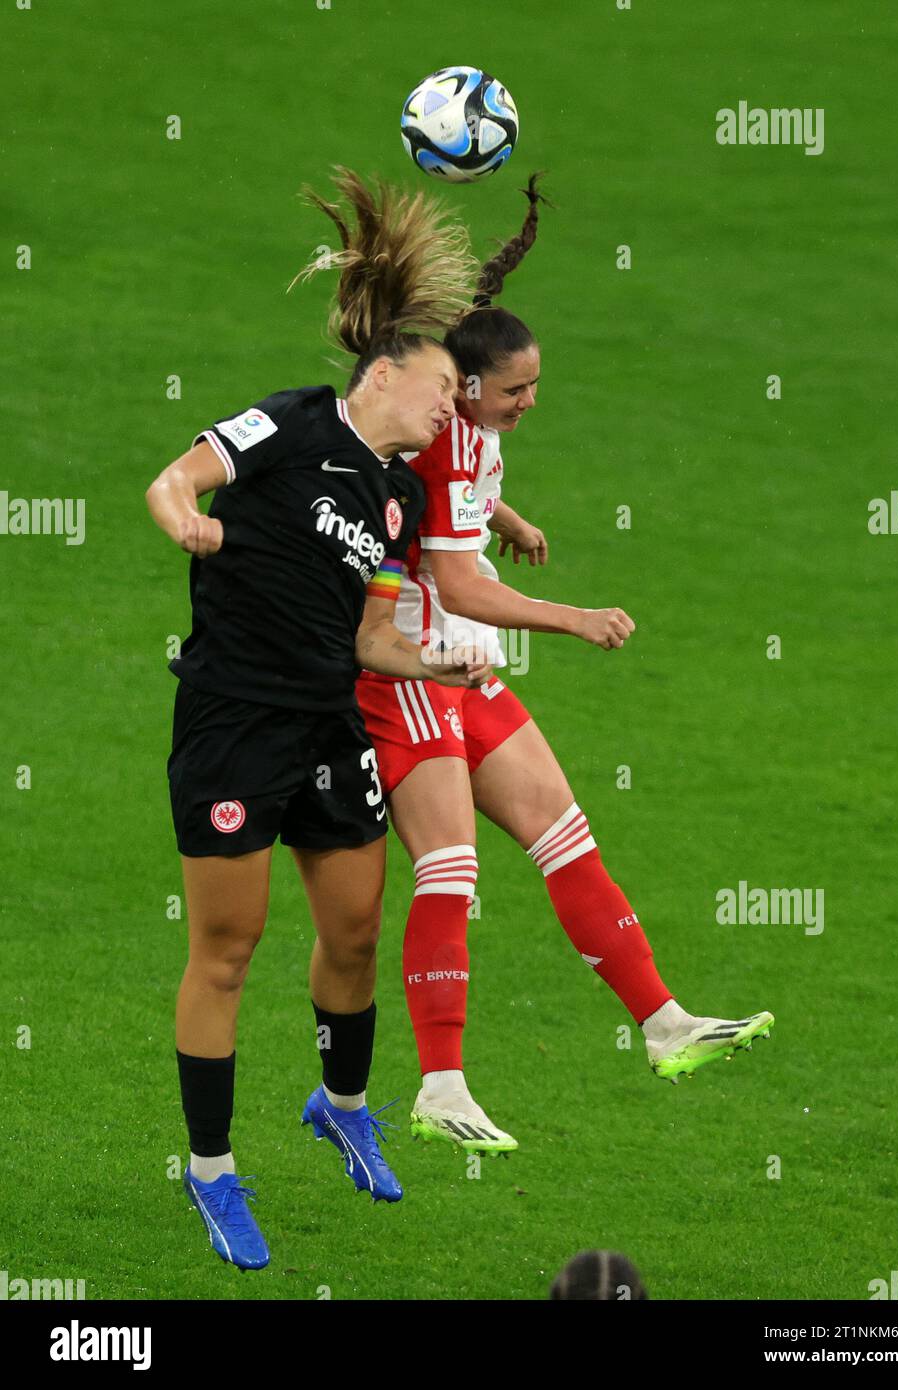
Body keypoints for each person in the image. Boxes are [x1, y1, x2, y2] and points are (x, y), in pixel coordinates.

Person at [355, 177, 774, 1153]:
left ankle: (663, 1025)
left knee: (564, 832)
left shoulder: (466, 432)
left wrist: (508, 514)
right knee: (450, 872)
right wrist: (572, 617)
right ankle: (440, 1089)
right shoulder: (446, 436)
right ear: (465, 387)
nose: (529, 403)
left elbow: (455, 496)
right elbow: (455, 582)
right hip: (405, 672)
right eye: (514, 390)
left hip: (465, 672)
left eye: (535, 385)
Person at [146, 167, 487, 1270]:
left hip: (330, 725)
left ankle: (341, 1103)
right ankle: (212, 1172)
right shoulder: (288, 423)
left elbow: (372, 641)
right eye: (440, 390)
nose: (449, 409)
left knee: (352, 932)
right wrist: (186, 523)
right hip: (234, 723)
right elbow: (173, 478)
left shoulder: (401, 496)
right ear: (384, 374)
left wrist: (447, 656)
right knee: (229, 949)